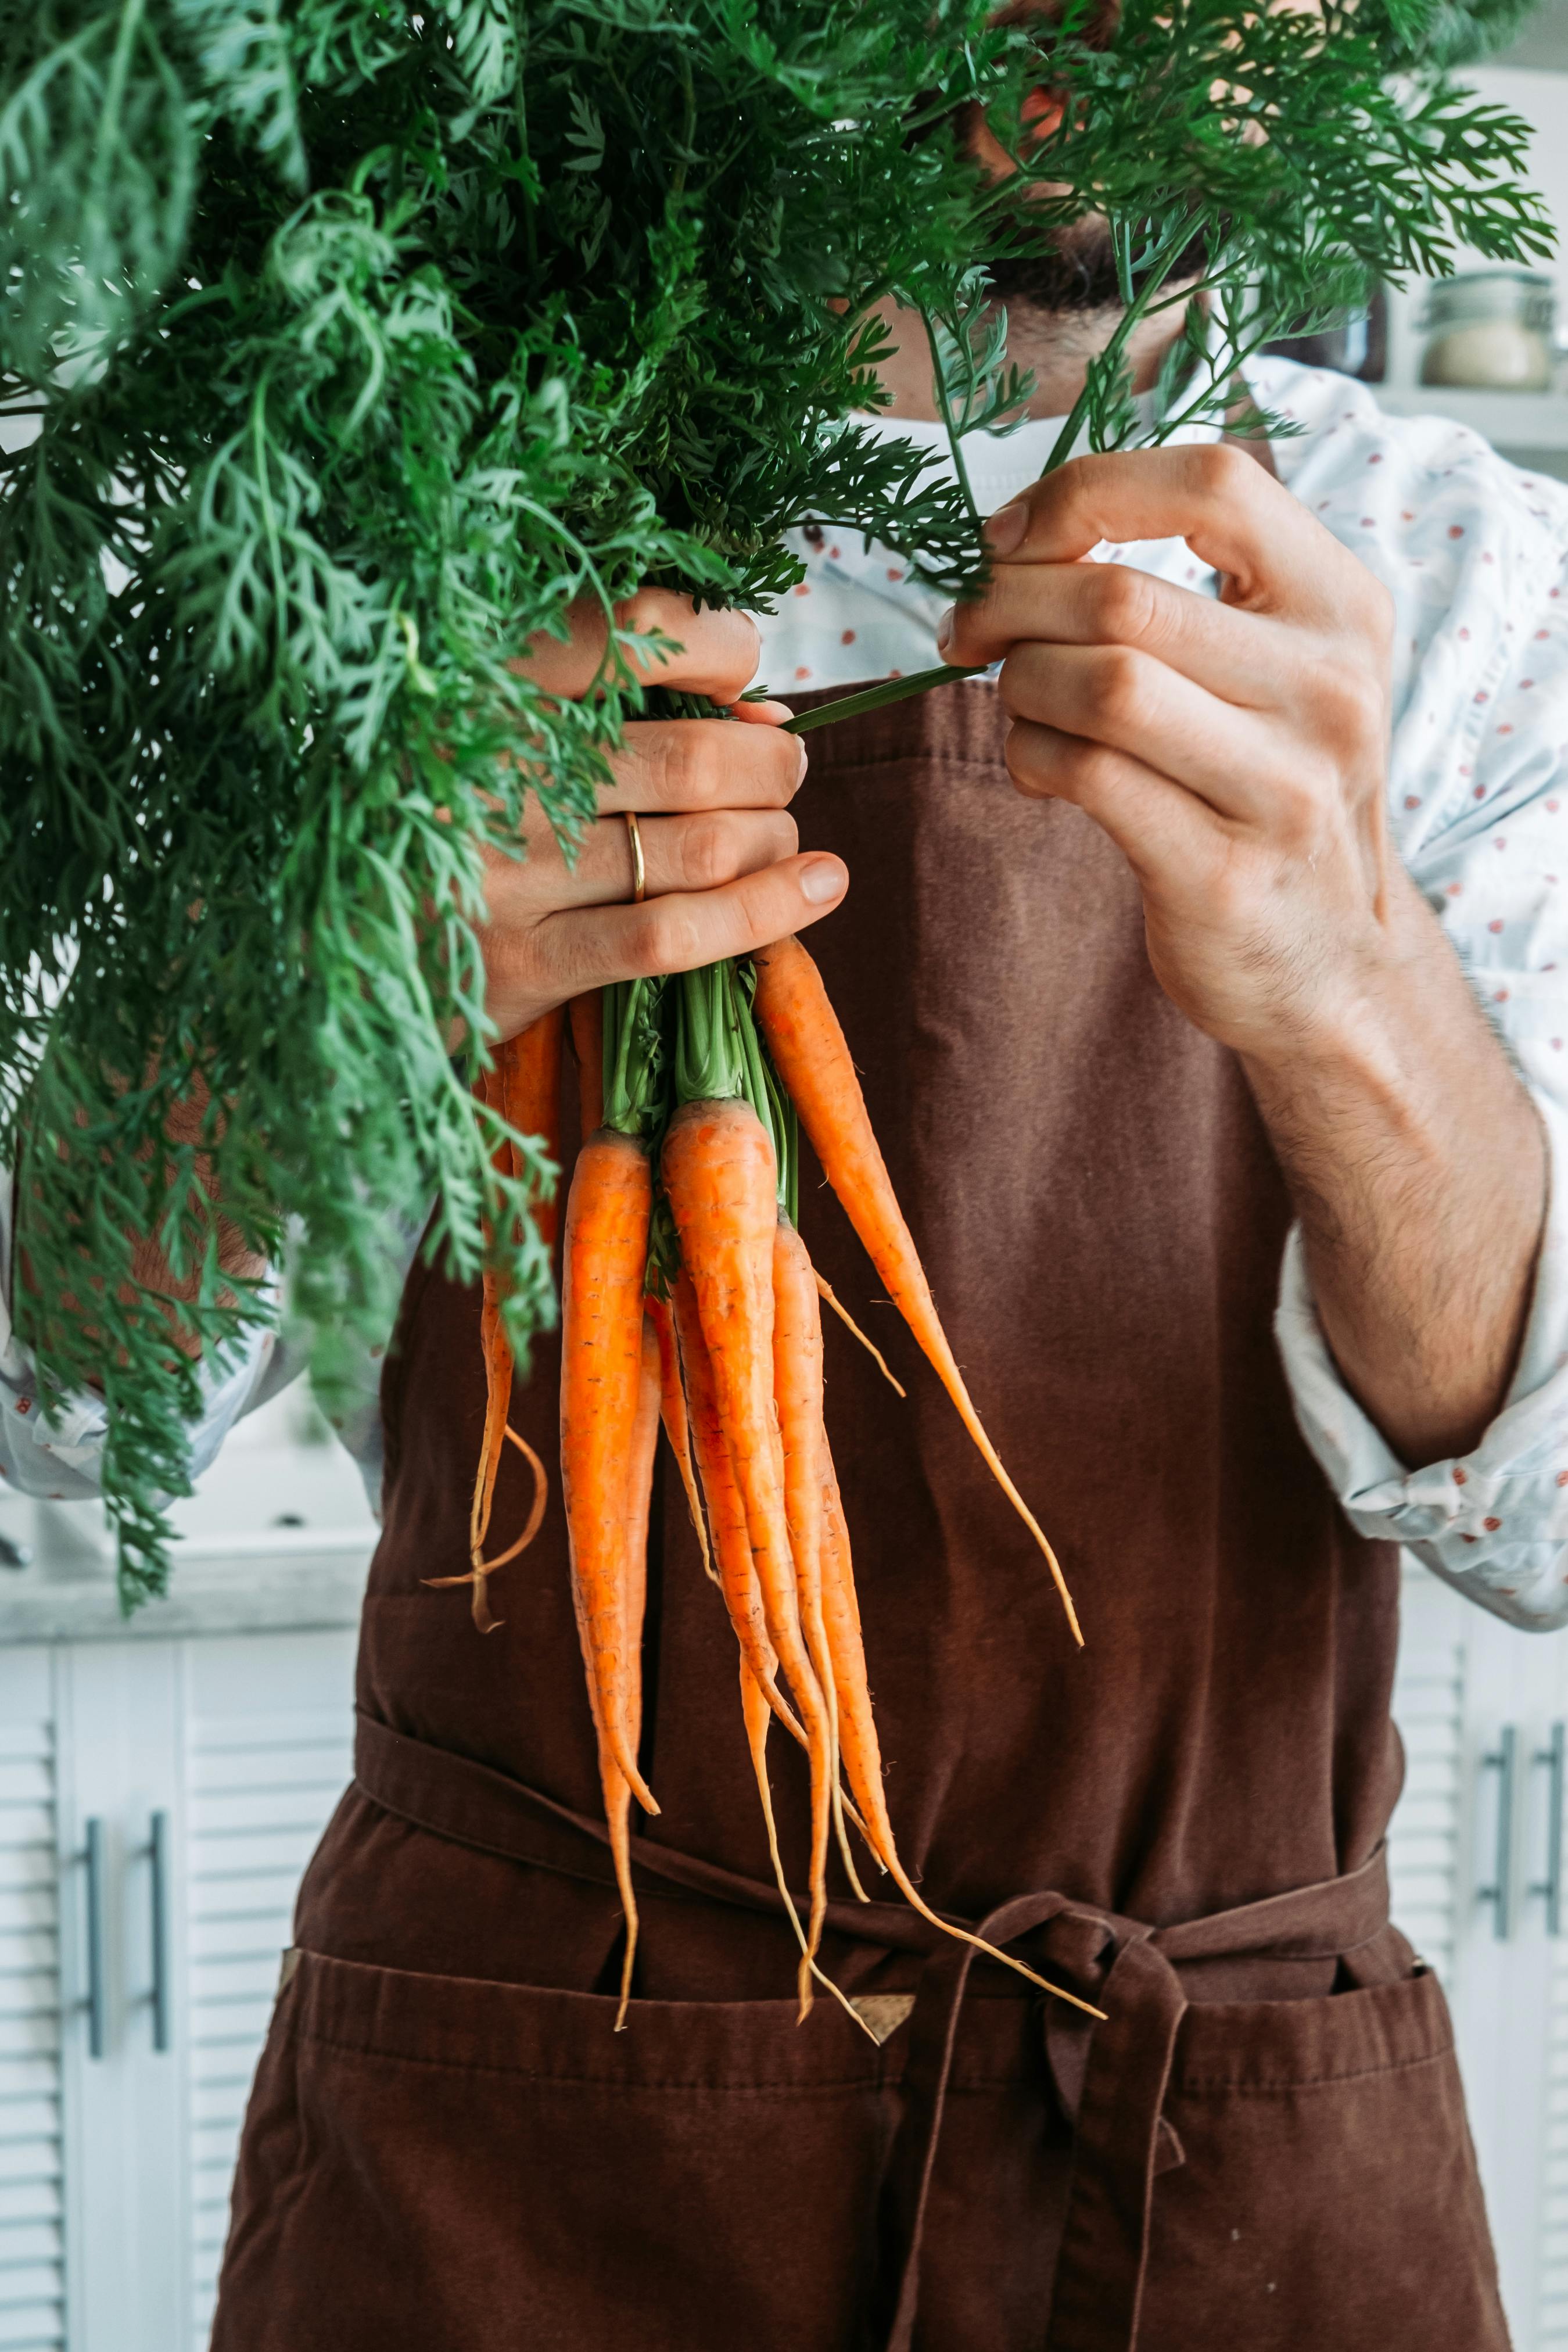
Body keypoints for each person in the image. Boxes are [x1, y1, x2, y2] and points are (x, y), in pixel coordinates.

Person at [8, 196, 1568, 2352]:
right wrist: (297, 994)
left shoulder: (1456, 569)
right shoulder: (377, 529)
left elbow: (1551, 1527)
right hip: (526, 2137)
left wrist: (1355, 985)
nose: (1081, 44)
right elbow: (67, 1400)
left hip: (1215, 2149)